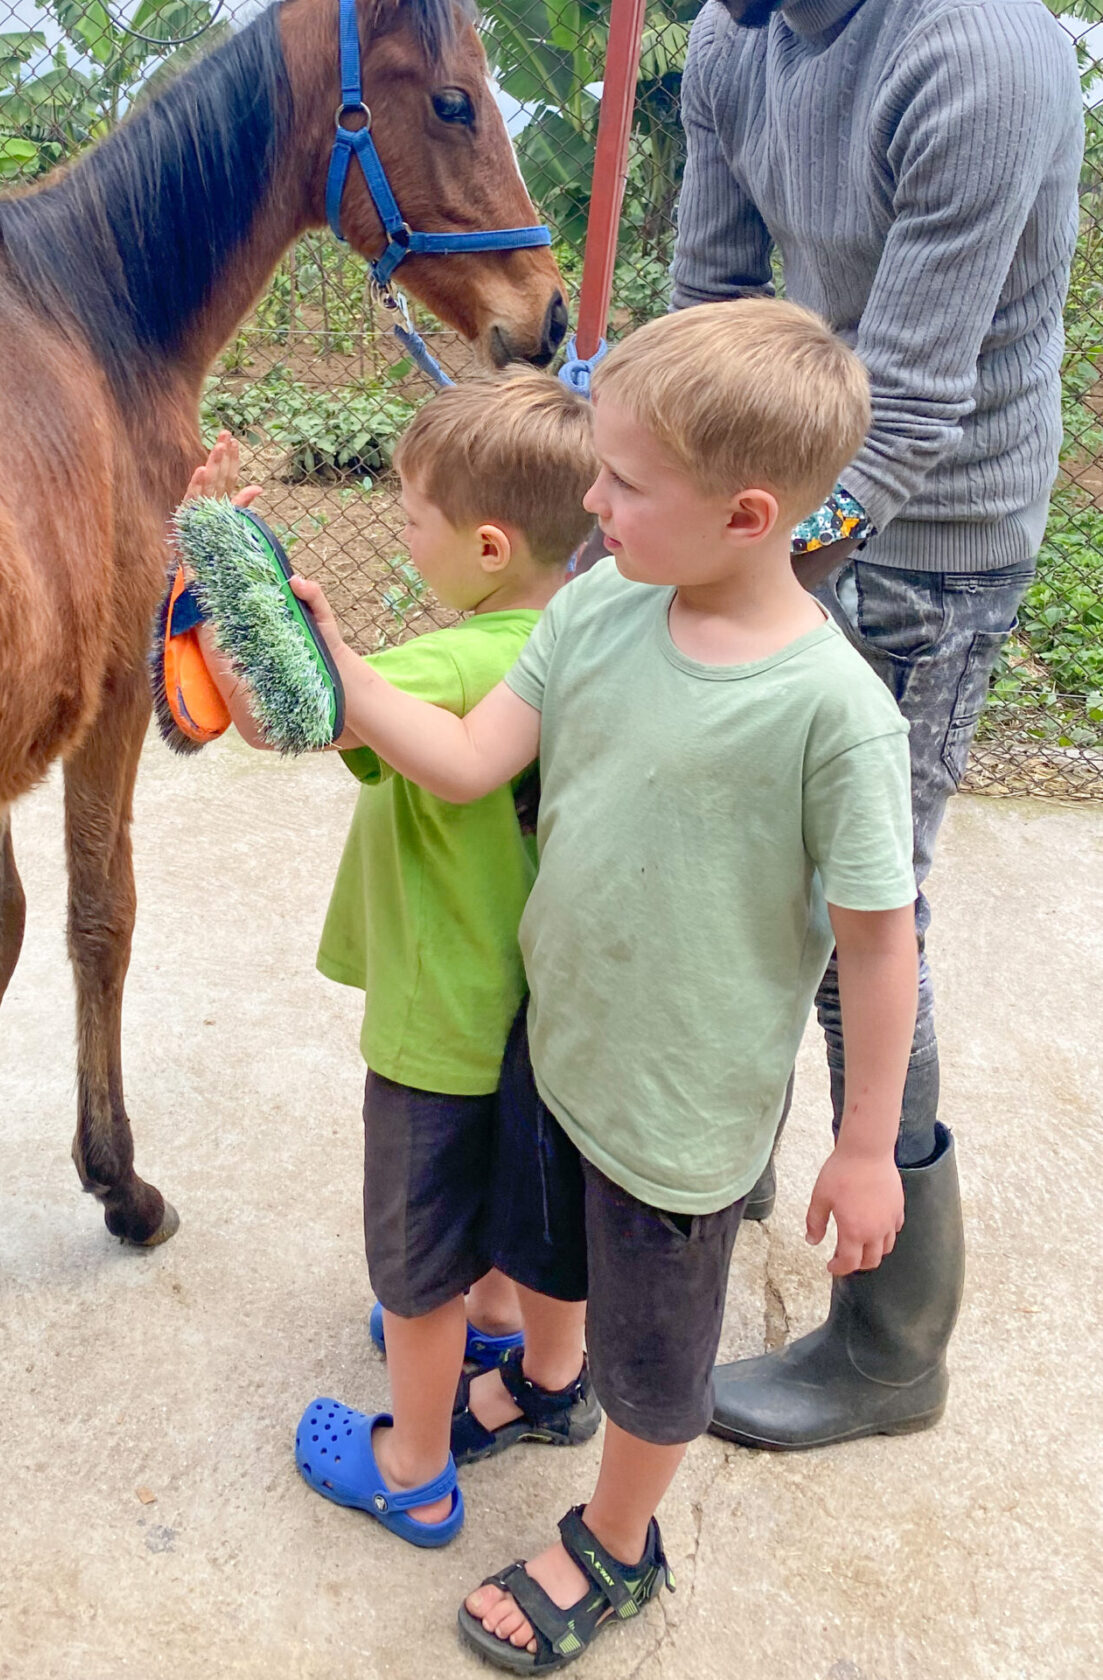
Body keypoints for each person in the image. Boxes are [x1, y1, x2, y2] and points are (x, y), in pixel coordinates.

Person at [289, 301, 919, 1669]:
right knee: (545, 1255)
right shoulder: (593, 614)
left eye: (624, 483)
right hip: (554, 1047)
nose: (590, 498)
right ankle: (541, 1381)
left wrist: (863, 1145)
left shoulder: (832, 715)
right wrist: (334, 672)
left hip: (682, 1114)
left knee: (655, 1359)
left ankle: (616, 1542)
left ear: (746, 517)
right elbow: (462, 762)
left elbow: (877, 943)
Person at [631, 0, 1084, 1449]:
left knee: (850, 903)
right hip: (766, 520)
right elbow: (697, 311)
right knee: (714, 839)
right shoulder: (734, 41)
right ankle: (717, 1165)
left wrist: (715, 582)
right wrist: (646, 508)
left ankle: (889, 1339)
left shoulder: (971, 54)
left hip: (931, 538)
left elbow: (895, 423)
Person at [184, 371, 601, 1547]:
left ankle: (413, 1463)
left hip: (433, 1021)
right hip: (532, 1013)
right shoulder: (579, 637)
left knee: (410, 1270)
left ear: (482, 543)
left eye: (408, 515)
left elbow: (278, 711)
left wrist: (208, 569)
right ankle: (506, 1335)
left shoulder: (453, 670)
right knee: (511, 1199)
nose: (398, 528)